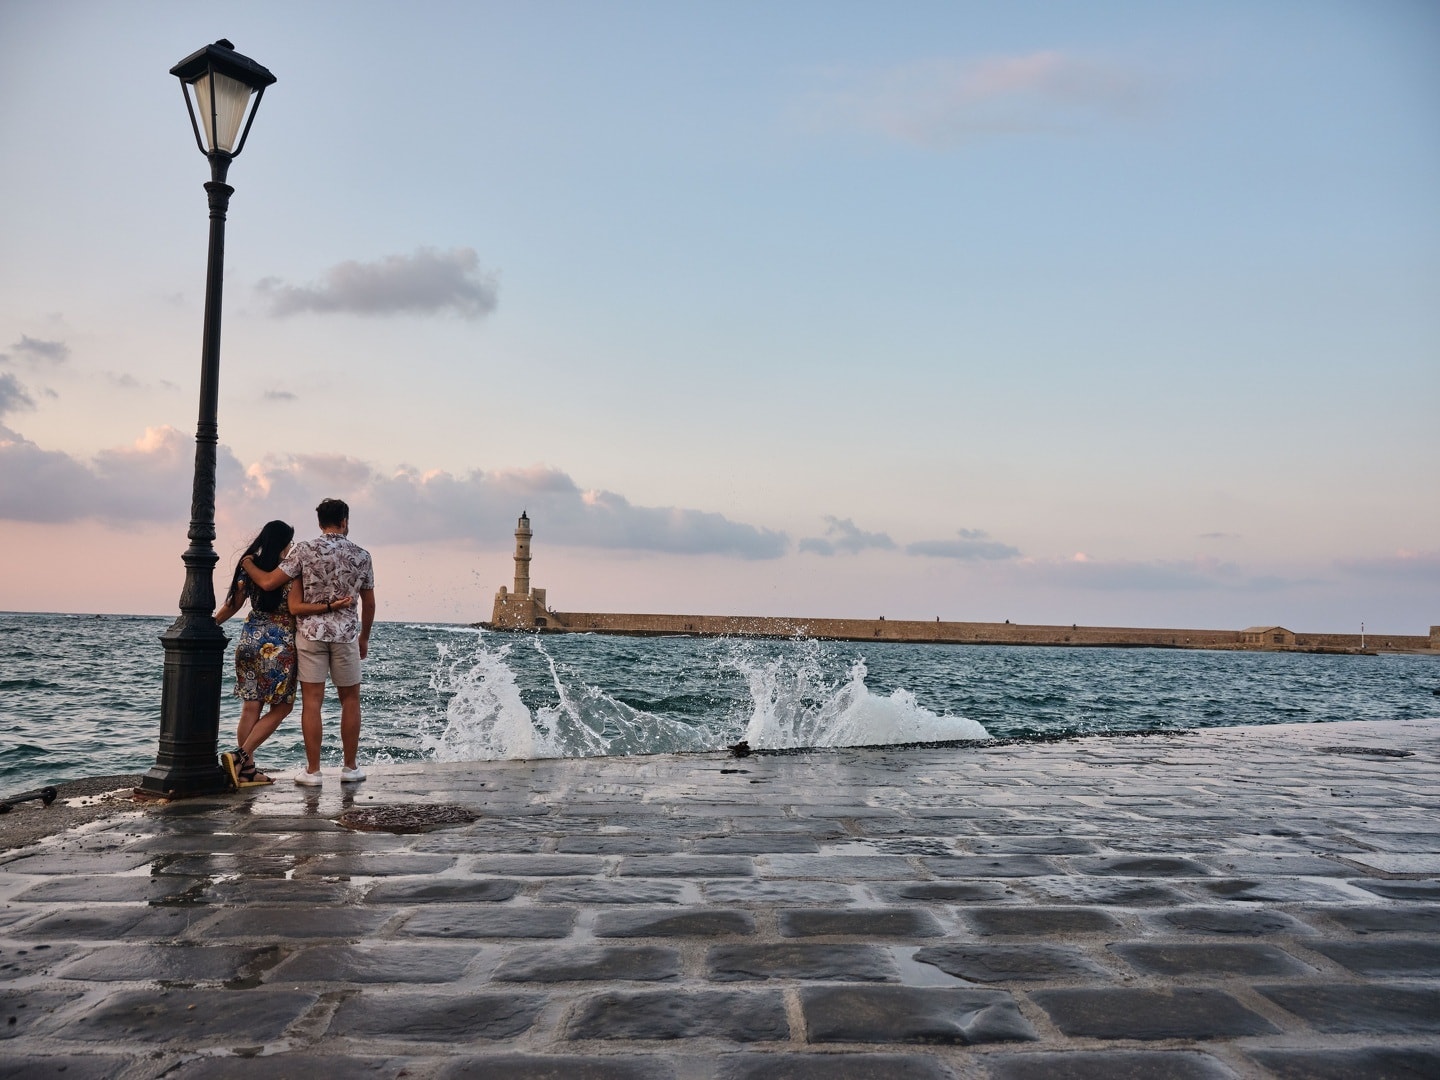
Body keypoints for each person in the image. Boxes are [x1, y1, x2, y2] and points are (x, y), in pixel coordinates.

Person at [243, 498, 375, 786]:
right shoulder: (363, 555)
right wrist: (364, 637)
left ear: (319, 522)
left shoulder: (303, 549)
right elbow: (370, 602)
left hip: (310, 634)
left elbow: (269, 583)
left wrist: (247, 563)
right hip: (346, 636)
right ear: (345, 521)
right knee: (350, 700)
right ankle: (350, 768)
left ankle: (313, 771)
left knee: (312, 702)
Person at [214, 520, 352, 787]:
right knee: (283, 707)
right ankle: (241, 757)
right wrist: (331, 606)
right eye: (290, 541)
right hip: (279, 645)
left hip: (249, 640)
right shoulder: (289, 571)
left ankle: (246, 770)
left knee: (251, 706)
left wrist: (211, 623)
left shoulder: (251, 568)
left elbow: (233, 604)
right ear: (285, 543)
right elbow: (295, 606)